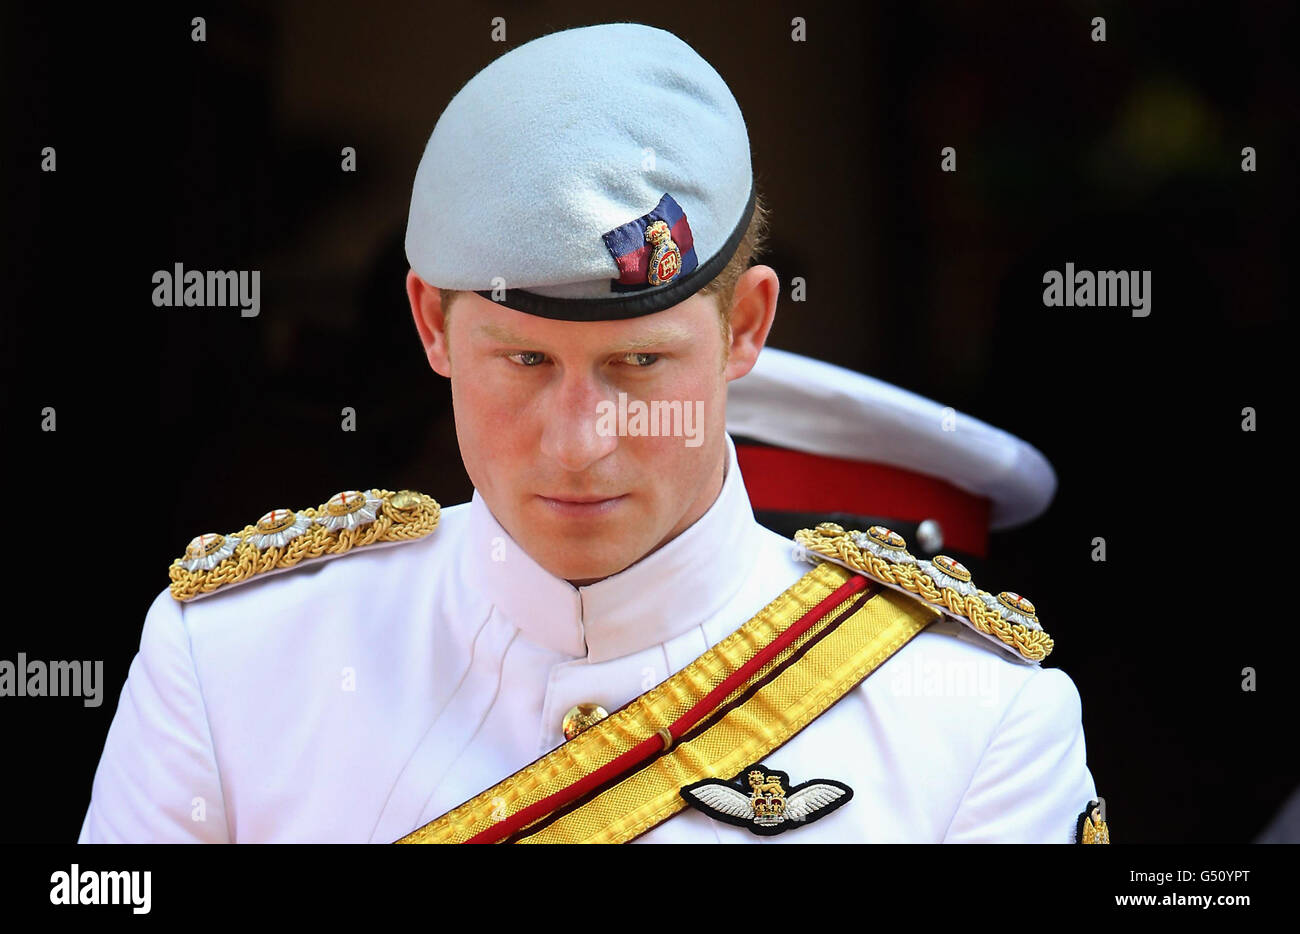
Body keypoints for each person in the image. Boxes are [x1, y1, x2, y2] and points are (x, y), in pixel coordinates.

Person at [77, 21, 1101, 844]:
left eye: (637, 363)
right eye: (524, 362)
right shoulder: (233, 663)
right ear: (430, 324)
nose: (578, 441)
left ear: (743, 325)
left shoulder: (971, 716)